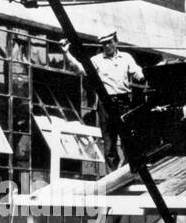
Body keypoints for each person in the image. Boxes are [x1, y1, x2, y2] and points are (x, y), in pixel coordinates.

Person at [61, 30, 144, 169]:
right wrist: (66, 53)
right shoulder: (96, 60)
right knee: (109, 141)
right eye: (103, 44)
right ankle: (112, 174)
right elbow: (80, 69)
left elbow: (138, 72)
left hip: (124, 102)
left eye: (109, 42)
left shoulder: (126, 57)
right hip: (106, 102)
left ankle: (131, 171)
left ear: (115, 42)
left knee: (128, 139)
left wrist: (142, 75)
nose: (106, 46)